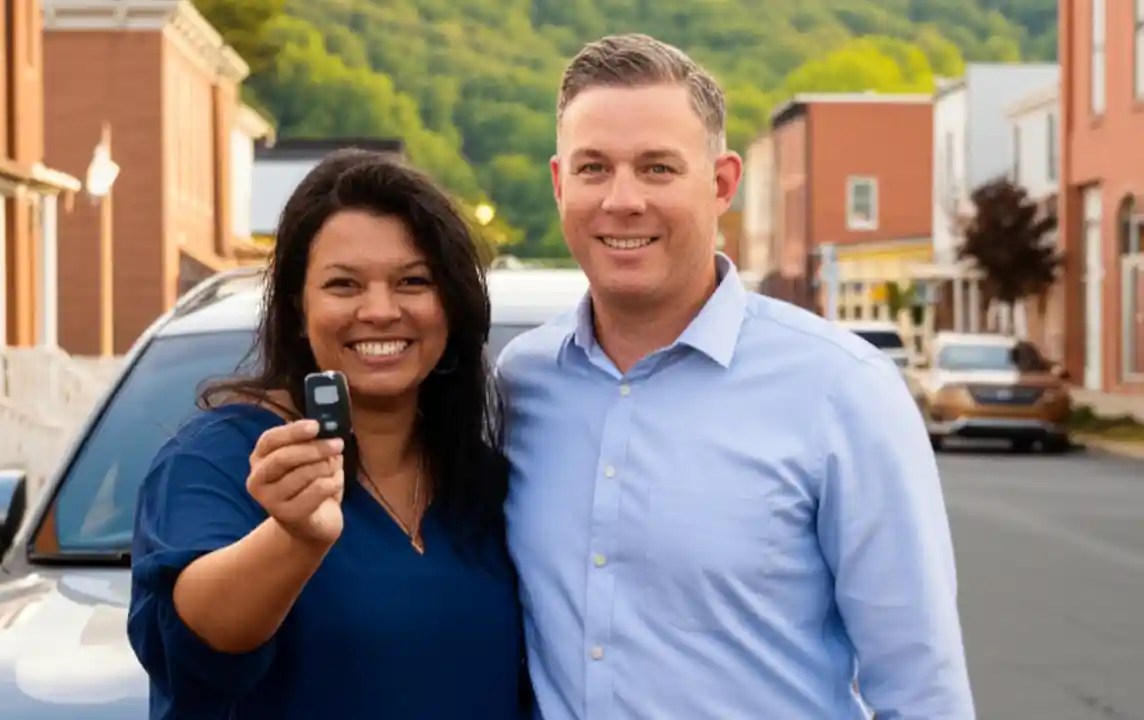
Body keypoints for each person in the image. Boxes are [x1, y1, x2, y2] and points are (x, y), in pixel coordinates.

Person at [495, 33, 975, 719]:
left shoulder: (842, 391)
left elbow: (920, 685)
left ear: (721, 183)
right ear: (558, 182)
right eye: (594, 168)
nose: (622, 199)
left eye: (658, 168)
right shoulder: (522, 383)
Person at [128, 149, 529, 719]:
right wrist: (294, 538)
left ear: (452, 305)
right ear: (297, 307)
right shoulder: (221, 457)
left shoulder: (485, 480)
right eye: (344, 286)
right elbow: (196, 637)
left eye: (413, 281)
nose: (380, 310)